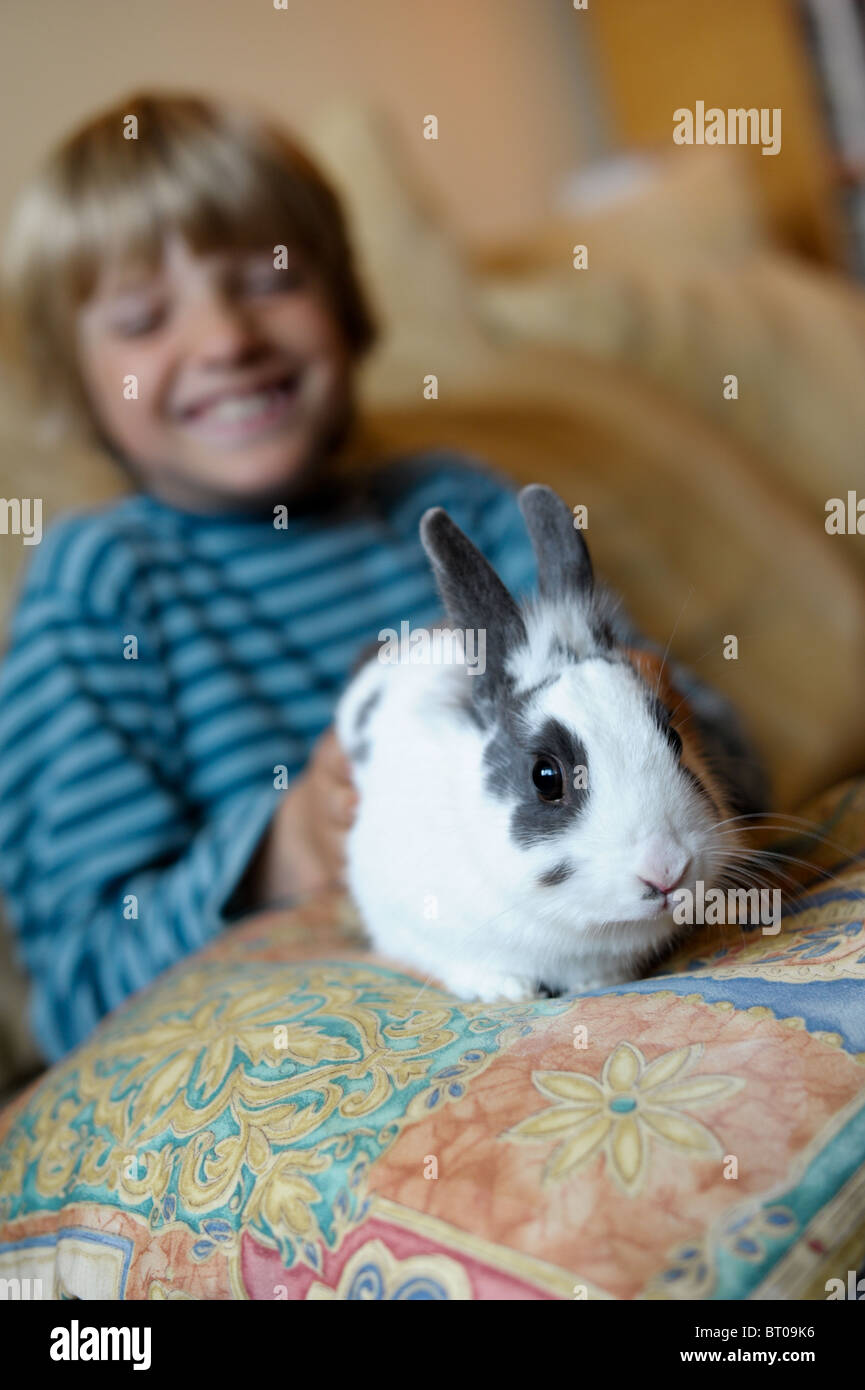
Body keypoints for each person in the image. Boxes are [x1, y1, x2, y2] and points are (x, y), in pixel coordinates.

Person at [0, 91, 538, 1063]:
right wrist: (281, 855)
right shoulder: (100, 588)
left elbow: (711, 759)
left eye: (265, 280)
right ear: (75, 384)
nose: (224, 340)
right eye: (143, 317)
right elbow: (75, 990)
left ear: (348, 304)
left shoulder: (464, 509)